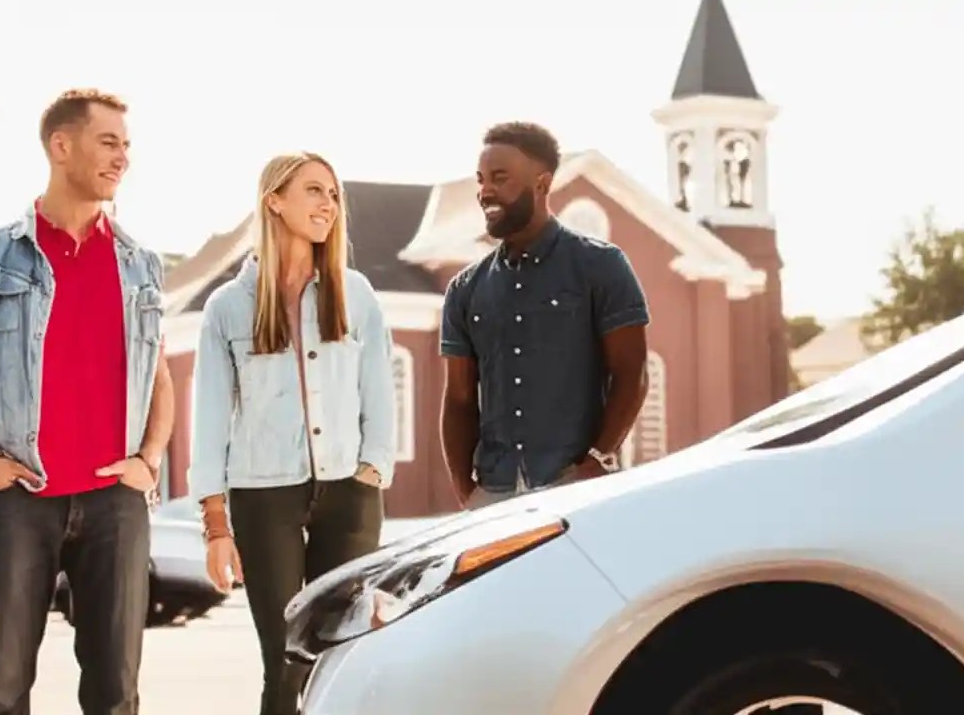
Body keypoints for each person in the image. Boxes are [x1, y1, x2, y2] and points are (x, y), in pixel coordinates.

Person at [0, 88, 174, 715]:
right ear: (62, 146)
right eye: (108, 142)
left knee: (116, 694)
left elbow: (159, 378)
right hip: (16, 502)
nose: (122, 158)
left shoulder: (141, 264)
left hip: (115, 502)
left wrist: (148, 460)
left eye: (126, 145)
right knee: (1, 689)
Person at [187, 151, 396, 715]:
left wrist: (372, 468)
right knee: (285, 659)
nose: (328, 204)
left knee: (344, 651)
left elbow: (380, 393)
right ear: (273, 200)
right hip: (263, 498)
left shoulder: (357, 295)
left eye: (333, 194)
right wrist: (214, 524)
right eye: (313, 191)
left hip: (349, 491)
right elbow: (207, 421)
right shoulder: (227, 307)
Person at [440, 121, 651, 509]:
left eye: (500, 178)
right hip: (493, 494)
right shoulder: (465, 289)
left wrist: (598, 458)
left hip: (577, 489)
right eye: (481, 179)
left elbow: (631, 372)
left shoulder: (601, 265)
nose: (485, 191)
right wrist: (465, 491)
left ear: (542, 183)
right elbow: (458, 398)